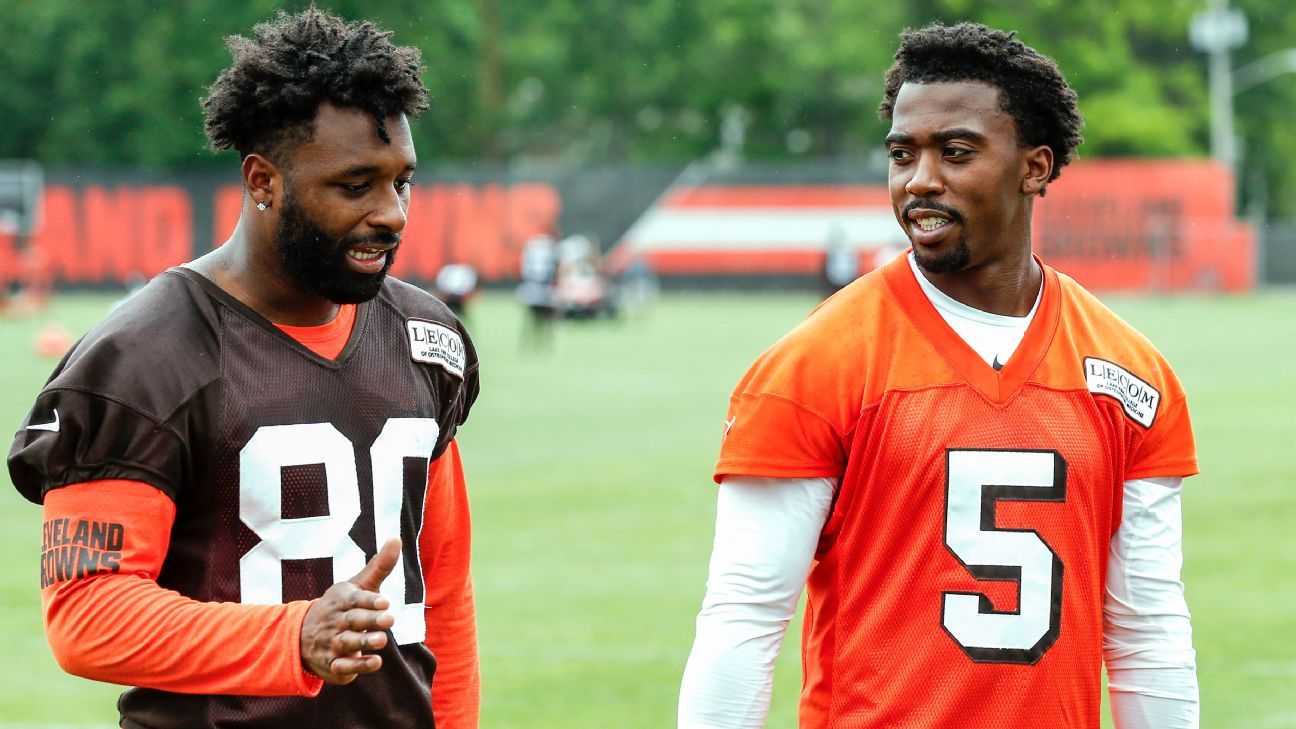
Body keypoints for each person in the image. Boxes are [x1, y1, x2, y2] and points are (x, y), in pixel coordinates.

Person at [679, 22, 1198, 729]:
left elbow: (1147, 627)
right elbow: (743, 615)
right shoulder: (815, 363)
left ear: (1035, 167)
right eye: (902, 154)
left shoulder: (1129, 373)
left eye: (956, 152)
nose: (920, 180)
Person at [8, 9, 480, 728]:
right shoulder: (145, 355)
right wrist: (292, 635)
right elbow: (87, 611)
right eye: (355, 185)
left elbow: (440, 590)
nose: (392, 214)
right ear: (264, 181)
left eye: (401, 182)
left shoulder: (423, 336)